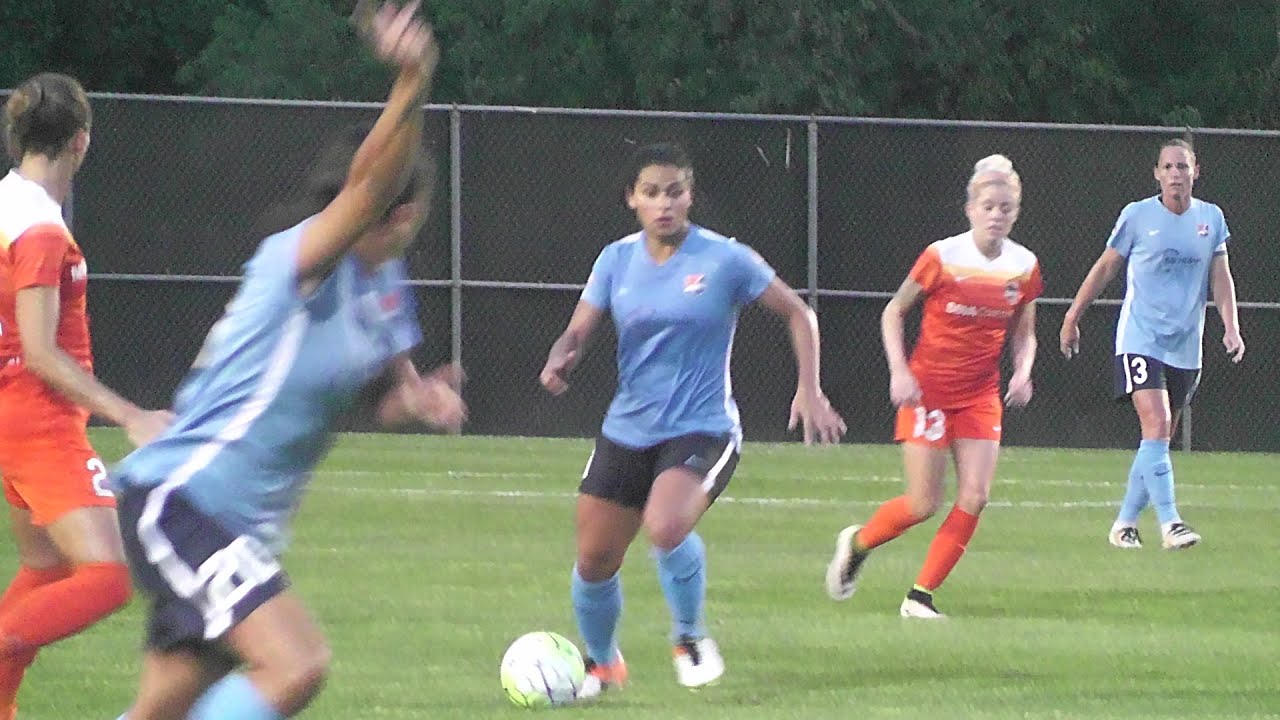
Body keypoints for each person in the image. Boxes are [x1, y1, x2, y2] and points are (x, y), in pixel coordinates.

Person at [109, 4, 465, 719]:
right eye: (408, 207)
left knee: (164, 709)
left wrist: (414, 399)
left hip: (239, 527)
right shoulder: (302, 261)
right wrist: (412, 80)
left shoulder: (386, 286)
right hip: (184, 500)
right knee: (296, 663)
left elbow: (381, 395)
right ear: (398, 211)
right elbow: (369, 184)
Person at [540, 141, 846, 697]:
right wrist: (565, 351)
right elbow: (580, 326)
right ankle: (603, 667)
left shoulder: (725, 259)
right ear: (632, 198)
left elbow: (798, 313)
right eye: (652, 192)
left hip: (703, 427)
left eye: (675, 192)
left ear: (690, 196)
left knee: (666, 525)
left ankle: (689, 636)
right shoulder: (616, 259)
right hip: (627, 426)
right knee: (594, 558)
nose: (664, 204)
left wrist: (810, 388)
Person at [0, 72, 173, 720]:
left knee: (44, 571)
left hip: (14, 420)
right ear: (82, 141)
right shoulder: (39, 228)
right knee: (106, 578)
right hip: (41, 423)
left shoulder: (5, 204)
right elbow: (42, 352)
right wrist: (129, 414)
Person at [824, 154, 1042, 619]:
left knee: (976, 496)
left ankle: (920, 596)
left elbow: (1024, 330)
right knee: (923, 503)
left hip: (980, 395)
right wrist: (899, 371)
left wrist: (1023, 371)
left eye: (1006, 207)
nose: (997, 214)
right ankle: (858, 543)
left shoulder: (1023, 266)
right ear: (970, 208)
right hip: (929, 392)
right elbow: (893, 311)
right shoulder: (943, 255)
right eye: (988, 205)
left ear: (1017, 212)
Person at [1059, 138, 1243, 551]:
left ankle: (1124, 524)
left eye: (1183, 166)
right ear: (1157, 174)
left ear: (1196, 171)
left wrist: (1231, 326)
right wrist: (1073, 315)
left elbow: (1221, 277)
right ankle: (1171, 523)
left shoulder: (1211, 219)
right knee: (1157, 425)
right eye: (1168, 167)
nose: (1176, 174)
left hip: (1186, 344)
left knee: (1158, 439)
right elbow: (1107, 266)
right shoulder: (1138, 216)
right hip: (1141, 337)